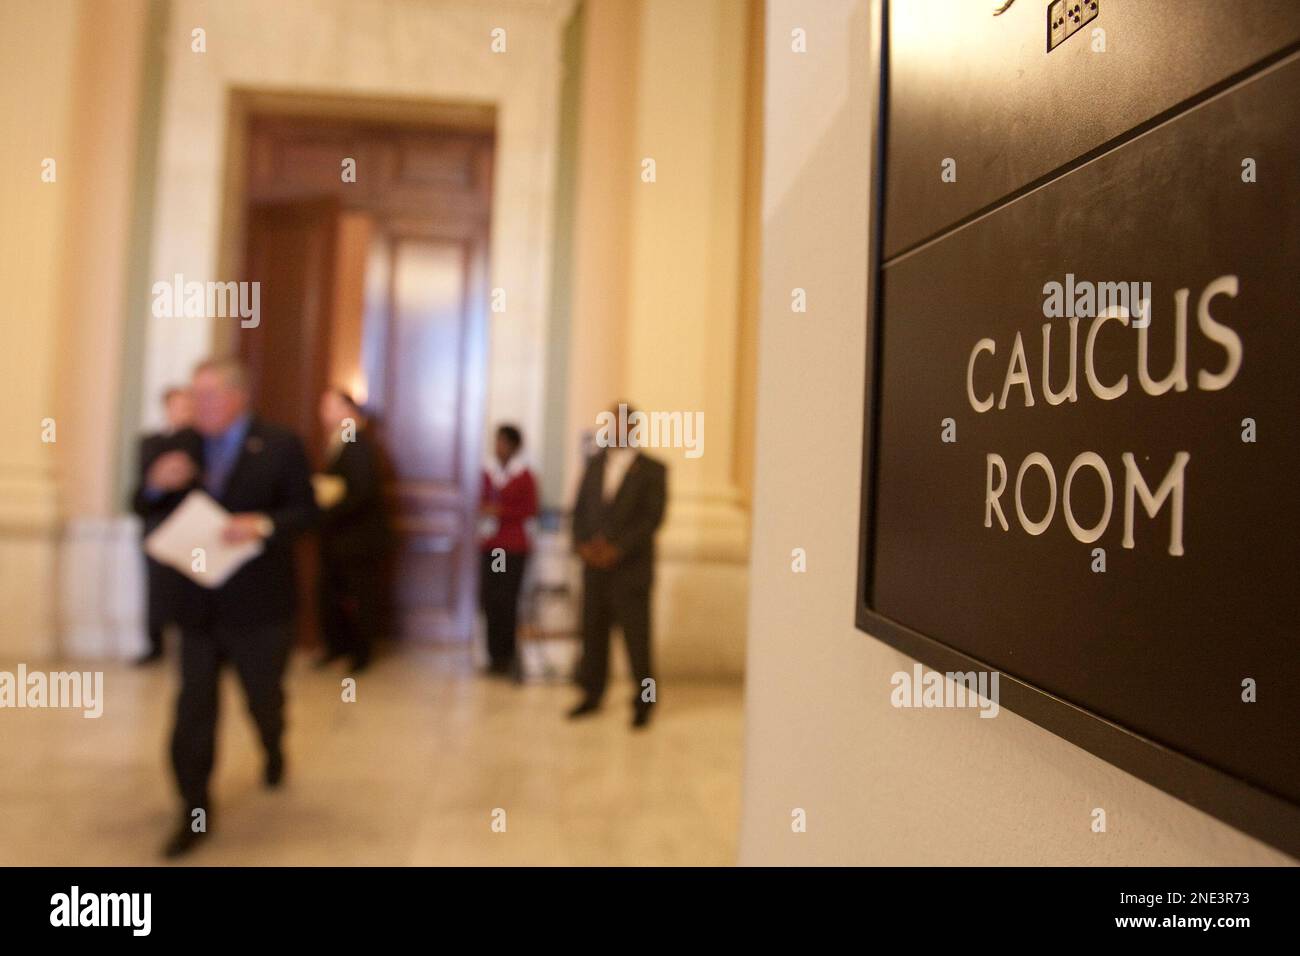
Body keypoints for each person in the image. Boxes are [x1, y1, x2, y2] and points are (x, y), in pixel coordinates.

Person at [133, 356, 317, 858]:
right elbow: (141, 504)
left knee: (263, 697)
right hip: (195, 606)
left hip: (258, 607)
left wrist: (262, 525)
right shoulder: (175, 445)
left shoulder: (280, 445)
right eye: (196, 395)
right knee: (193, 712)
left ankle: (272, 744)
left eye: (211, 395)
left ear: (238, 396)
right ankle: (194, 810)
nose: (201, 406)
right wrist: (156, 485)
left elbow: (305, 513)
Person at [568, 403, 667, 729]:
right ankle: (592, 693)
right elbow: (580, 509)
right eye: (611, 424)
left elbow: (651, 519)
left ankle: (645, 701)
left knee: (638, 644)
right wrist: (582, 545)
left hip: (631, 573)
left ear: (633, 429)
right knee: (593, 638)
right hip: (594, 570)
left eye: (622, 425)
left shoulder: (653, 469)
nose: (615, 430)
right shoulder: (595, 464)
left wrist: (617, 549)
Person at [315, 388, 392, 673]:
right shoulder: (341, 439)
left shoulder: (355, 439)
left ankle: (359, 655)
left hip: (358, 538)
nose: (324, 413)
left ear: (348, 410)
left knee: (360, 596)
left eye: (330, 407)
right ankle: (338, 648)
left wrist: (326, 510)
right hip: (340, 537)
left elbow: (360, 490)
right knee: (333, 594)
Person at [133, 386, 196, 666]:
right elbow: (143, 487)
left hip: (191, 525)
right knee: (156, 587)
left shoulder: (199, 441)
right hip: (158, 523)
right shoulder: (151, 442)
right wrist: (158, 482)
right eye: (176, 406)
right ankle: (154, 644)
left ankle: (191, 642)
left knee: (191, 587)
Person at [478, 424, 538, 677]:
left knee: (507, 600)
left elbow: (530, 509)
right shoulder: (487, 472)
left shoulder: (524, 475)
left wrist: (501, 512)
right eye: (497, 441)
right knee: (490, 599)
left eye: (504, 442)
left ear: (514, 446)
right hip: (492, 545)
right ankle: (492, 655)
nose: (499, 446)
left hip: (511, 547)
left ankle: (507, 654)